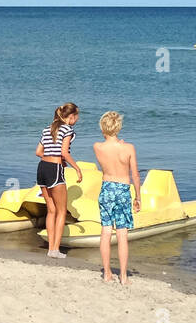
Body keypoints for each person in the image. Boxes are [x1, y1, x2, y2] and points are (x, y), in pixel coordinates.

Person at [93, 111, 141, 284]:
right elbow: (135, 175)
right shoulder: (128, 148)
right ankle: (123, 276)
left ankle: (106, 273)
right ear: (119, 127)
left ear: (103, 127)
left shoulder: (97, 147)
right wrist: (138, 197)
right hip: (122, 190)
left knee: (106, 231)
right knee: (122, 234)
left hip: (106, 188)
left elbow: (107, 147)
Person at [37, 102, 83, 259]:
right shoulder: (67, 129)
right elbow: (64, 153)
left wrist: (50, 158)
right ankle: (55, 250)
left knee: (51, 210)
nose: (76, 120)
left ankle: (51, 248)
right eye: (76, 117)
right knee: (62, 210)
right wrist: (77, 168)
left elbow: (38, 152)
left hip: (42, 168)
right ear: (71, 117)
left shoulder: (46, 129)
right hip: (55, 170)